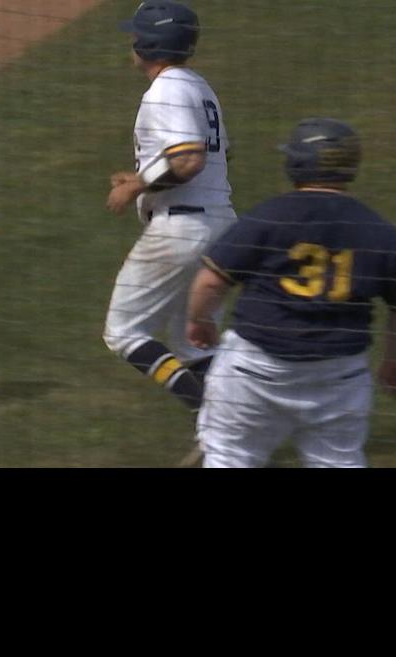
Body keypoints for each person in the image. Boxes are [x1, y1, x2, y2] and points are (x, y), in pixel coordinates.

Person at [186, 118, 396, 468]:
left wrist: (199, 322)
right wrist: (393, 362)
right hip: (339, 377)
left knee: (230, 458)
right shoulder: (380, 231)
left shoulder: (269, 216)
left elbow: (210, 282)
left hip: (254, 372)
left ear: (295, 163)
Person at [103, 1, 234, 418]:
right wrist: (142, 177)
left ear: (149, 42)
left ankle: (213, 416)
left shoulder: (166, 90)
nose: (131, 40)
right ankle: (235, 426)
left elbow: (189, 160)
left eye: (136, 34)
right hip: (218, 223)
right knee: (192, 341)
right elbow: (208, 156)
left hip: (182, 231)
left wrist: (138, 186)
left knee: (123, 332)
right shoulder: (197, 85)